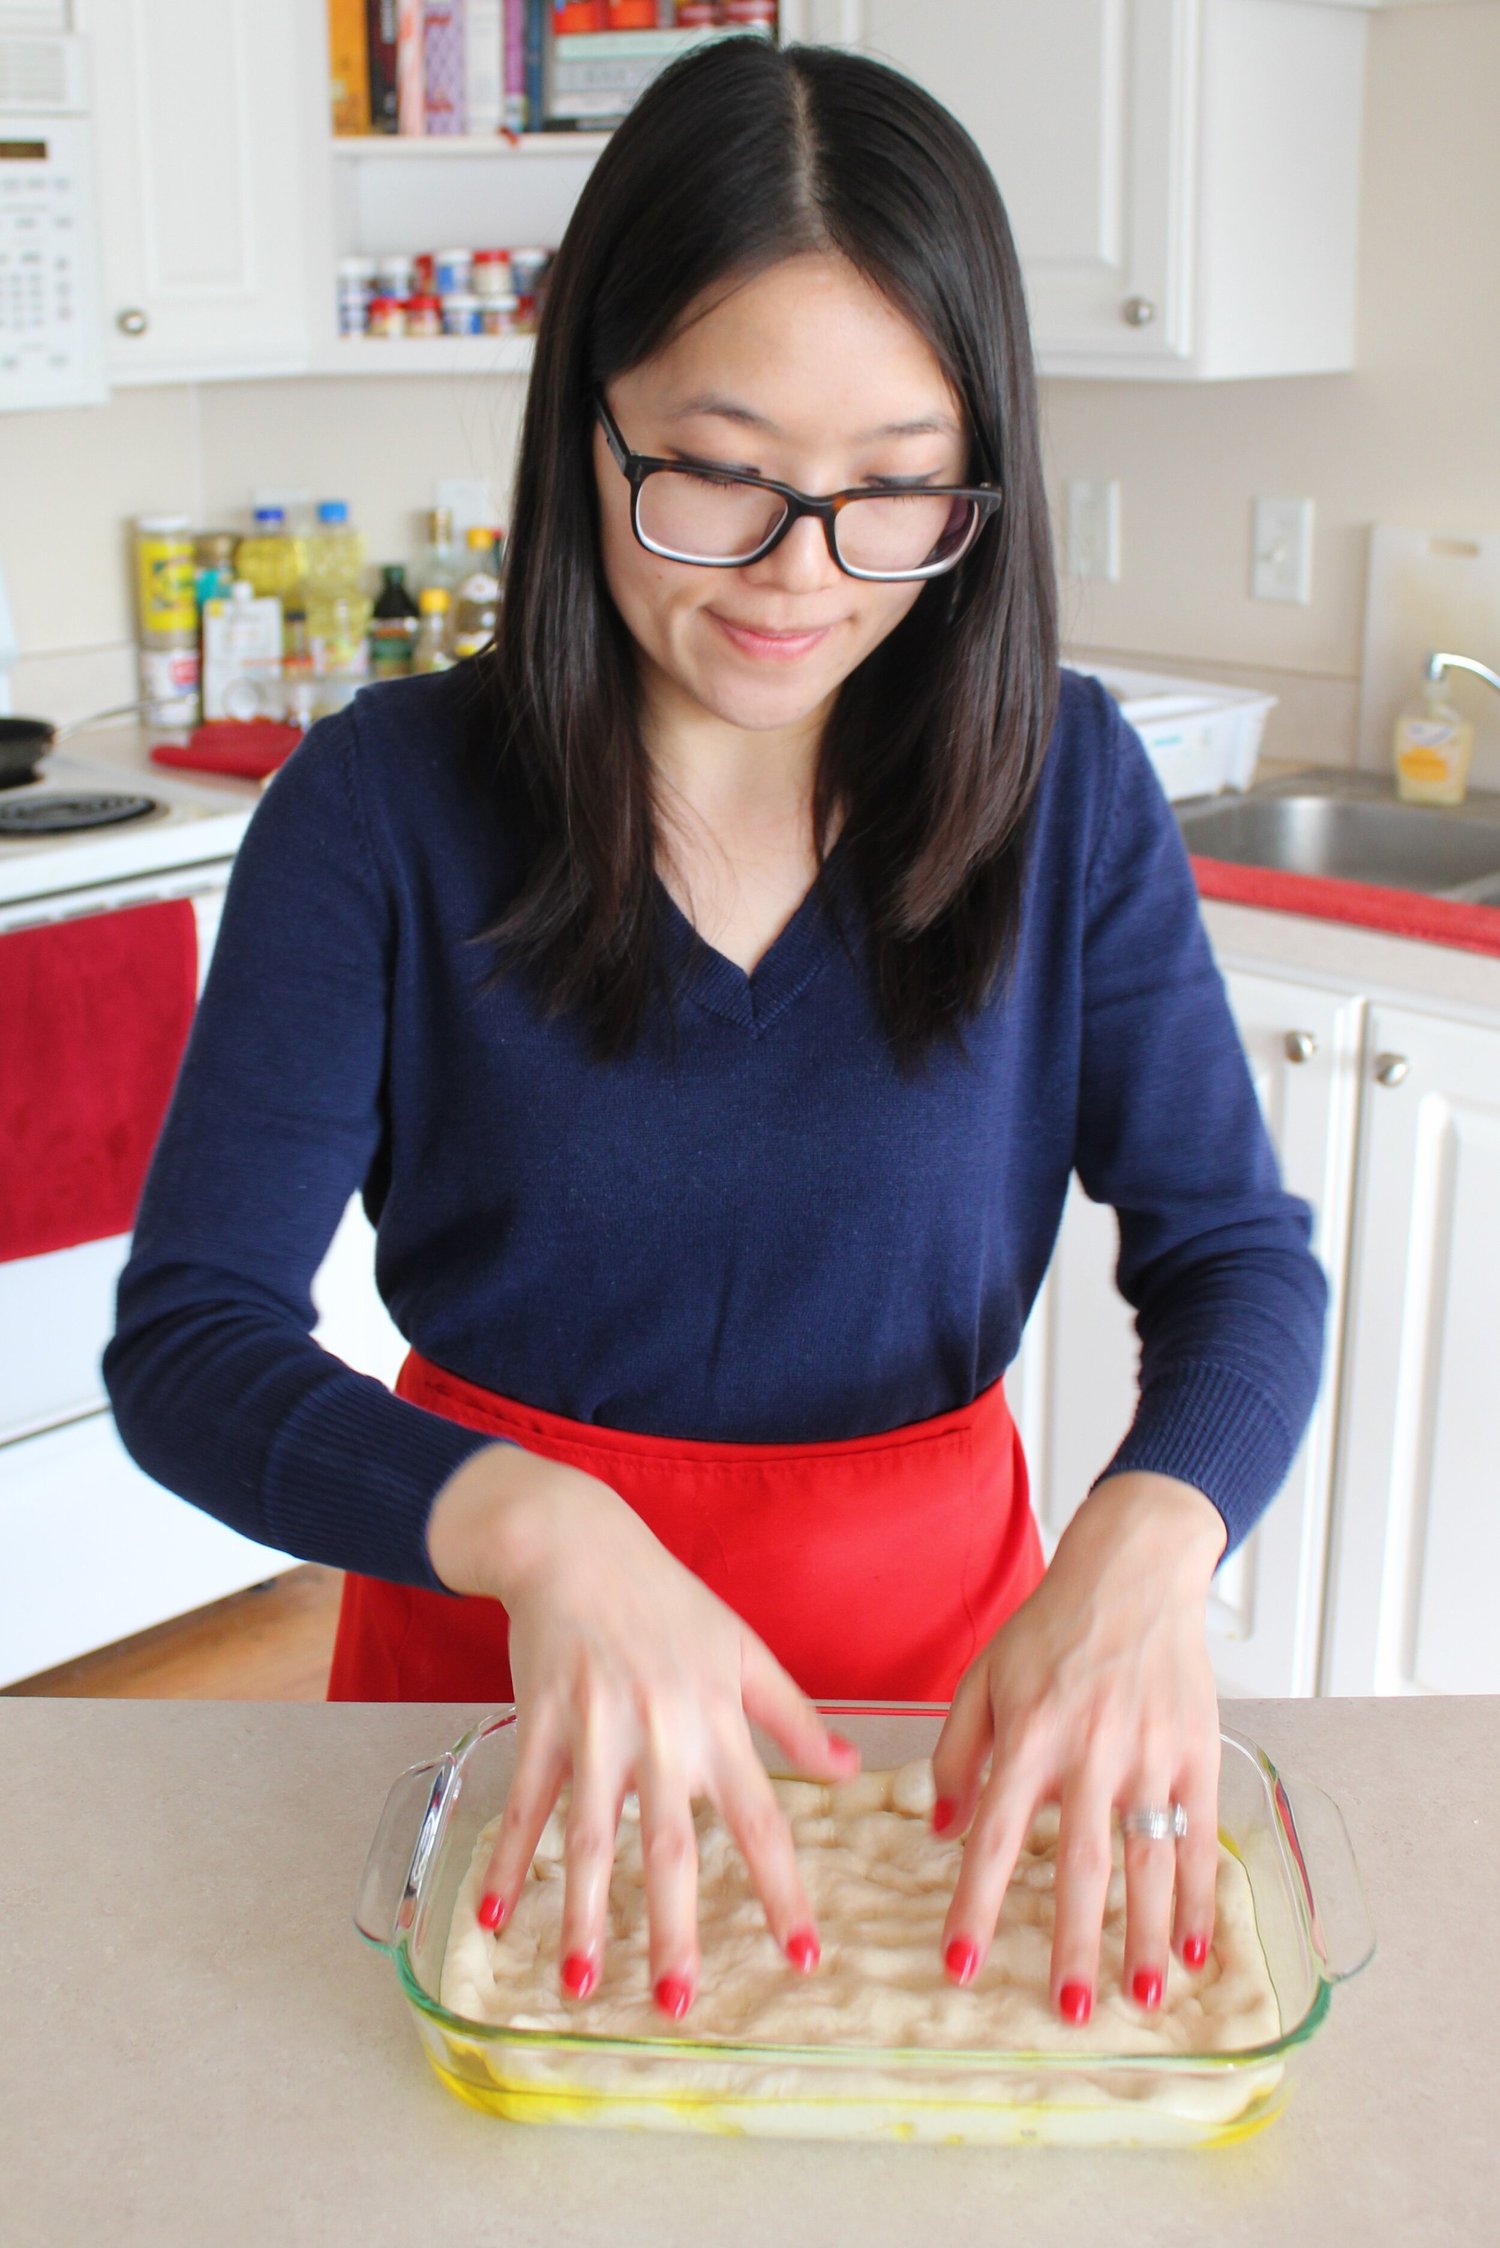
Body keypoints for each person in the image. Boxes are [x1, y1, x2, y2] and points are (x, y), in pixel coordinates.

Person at [105, 38, 1324, 2033]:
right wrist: (538, 1528)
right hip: (487, 1680)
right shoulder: (381, 807)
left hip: (930, 1714)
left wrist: (1151, 1539)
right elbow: (190, 1341)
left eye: (896, 491)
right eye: (722, 474)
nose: (802, 576)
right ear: (585, 422)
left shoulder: (1068, 790)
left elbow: (1238, 1261)